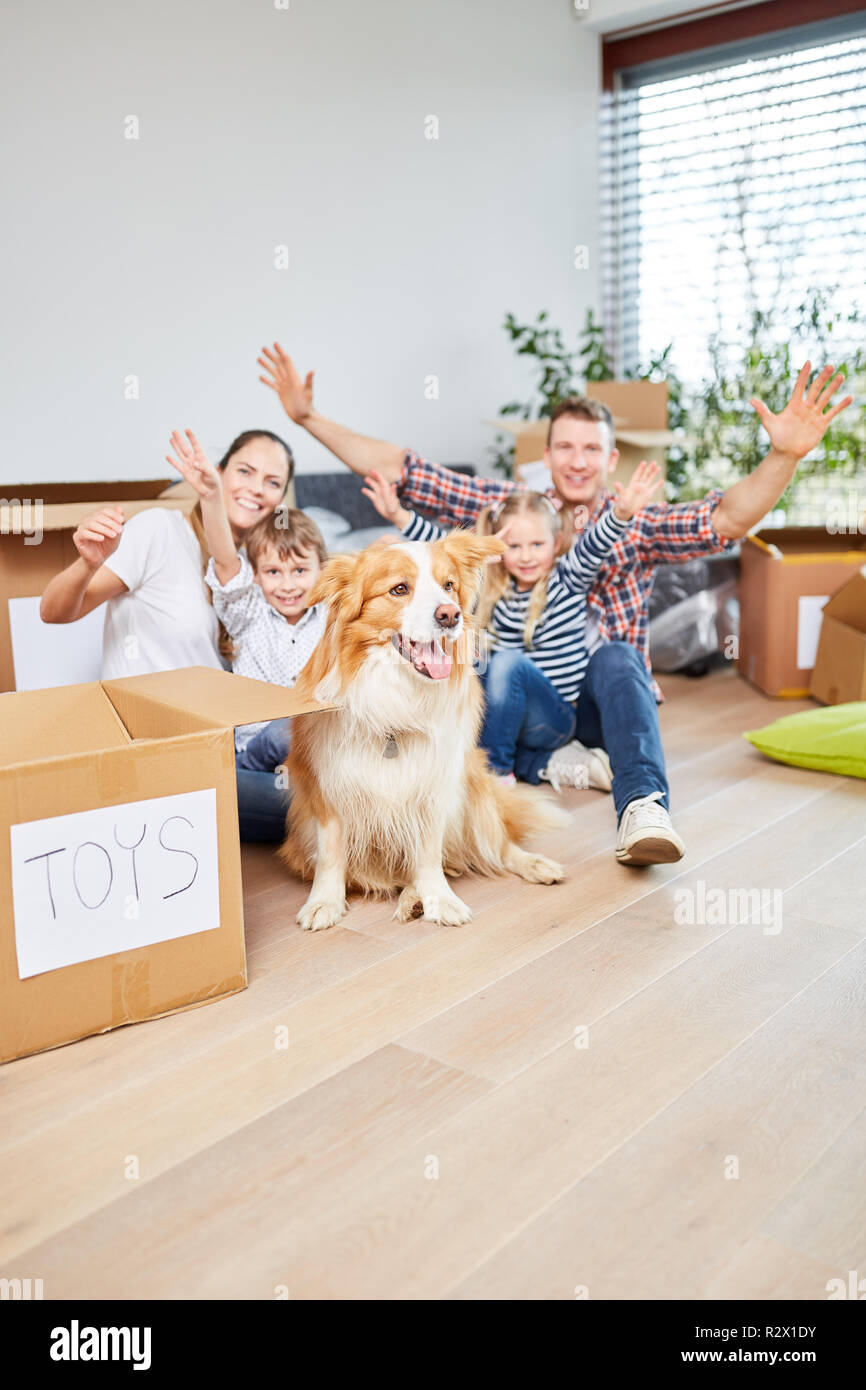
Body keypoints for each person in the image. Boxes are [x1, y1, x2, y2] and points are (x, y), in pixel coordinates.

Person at [258, 341, 852, 865]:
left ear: (610, 459)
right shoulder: (513, 513)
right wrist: (308, 416)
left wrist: (785, 456)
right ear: (547, 455)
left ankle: (643, 807)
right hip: (520, 707)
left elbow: (725, 518)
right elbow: (407, 473)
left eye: (590, 448)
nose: (576, 459)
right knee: (496, 663)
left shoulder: (633, 523)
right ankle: (501, 782)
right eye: (564, 446)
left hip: (596, 706)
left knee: (619, 658)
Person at [39, 428, 297, 841]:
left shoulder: (260, 569)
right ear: (218, 472)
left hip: (233, 747)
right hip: (166, 755)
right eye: (245, 471)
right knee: (321, 805)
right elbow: (53, 611)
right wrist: (87, 564)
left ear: (281, 497)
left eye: (272, 482)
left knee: (320, 745)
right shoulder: (160, 531)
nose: (256, 489)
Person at [364, 462, 663, 797]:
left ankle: (496, 772)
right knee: (477, 659)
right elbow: (443, 552)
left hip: (561, 717)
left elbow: (594, 545)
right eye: (515, 547)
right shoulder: (492, 588)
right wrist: (400, 516)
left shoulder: (567, 578)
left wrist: (621, 512)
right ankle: (536, 763)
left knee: (506, 663)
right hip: (517, 717)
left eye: (537, 545)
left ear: (557, 542)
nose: (526, 556)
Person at [165, 427, 327, 777]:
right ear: (254, 575)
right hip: (256, 758)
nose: (287, 585)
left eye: (299, 570)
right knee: (284, 731)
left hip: (315, 755)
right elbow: (225, 561)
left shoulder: (330, 616)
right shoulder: (249, 612)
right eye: (272, 572)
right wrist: (211, 497)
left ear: (321, 571)